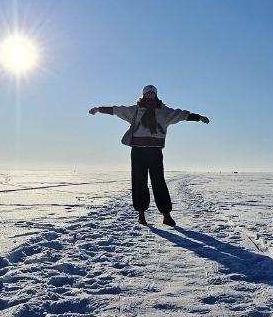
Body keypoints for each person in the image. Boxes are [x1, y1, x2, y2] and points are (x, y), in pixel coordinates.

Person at [89, 85, 209, 226]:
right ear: (144, 95)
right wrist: (98, 109)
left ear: (156, 95)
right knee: (139, 182)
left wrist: (199, 117)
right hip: (138, 151)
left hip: (155, 151)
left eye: (153, 92)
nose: (150, 94)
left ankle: (166, 214)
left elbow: (182, 115)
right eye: (148, 92)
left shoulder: (164, 112)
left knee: (159, 182)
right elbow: (116, 110)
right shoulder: (134, 110)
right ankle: (141, 214)